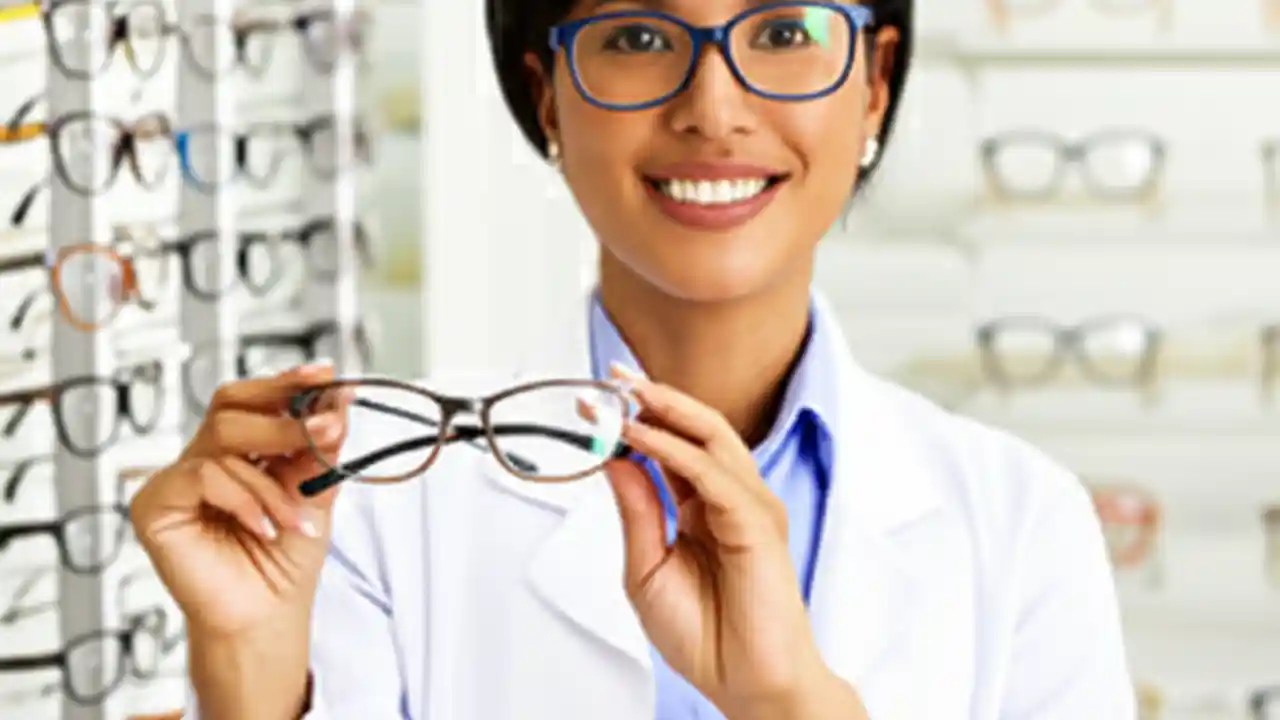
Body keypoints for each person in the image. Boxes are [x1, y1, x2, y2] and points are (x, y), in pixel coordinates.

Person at [129, 0, 1136, 718]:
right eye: (639, 37)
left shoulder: (1016, 520)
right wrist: (248, 664)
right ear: (548, 98)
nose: (712, 107)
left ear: (871, 86)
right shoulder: (370, 491)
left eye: (783, 33)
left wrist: (788, 702)